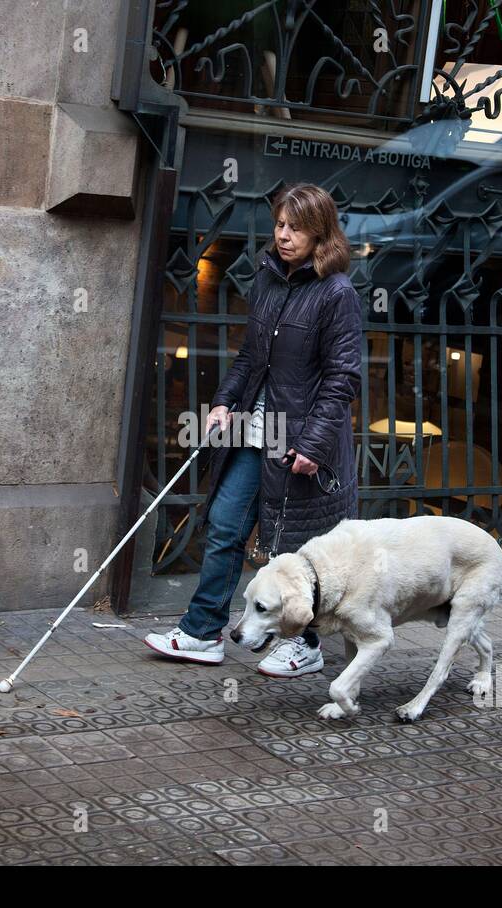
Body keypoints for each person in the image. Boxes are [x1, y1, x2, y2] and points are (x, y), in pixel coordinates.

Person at [145, 183, 363, 676]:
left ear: (320, 234)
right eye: (280, 225)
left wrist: (313, 444)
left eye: (296, 228)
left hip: (298, 436)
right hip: (252, 429)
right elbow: (250, 357)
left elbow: (342, 378)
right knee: (224, 525)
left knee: (293, 547)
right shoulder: (267, 281)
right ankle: (202, 633)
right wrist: (224, 402)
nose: (284, 236)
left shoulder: (337, 293)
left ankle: (304, 644)